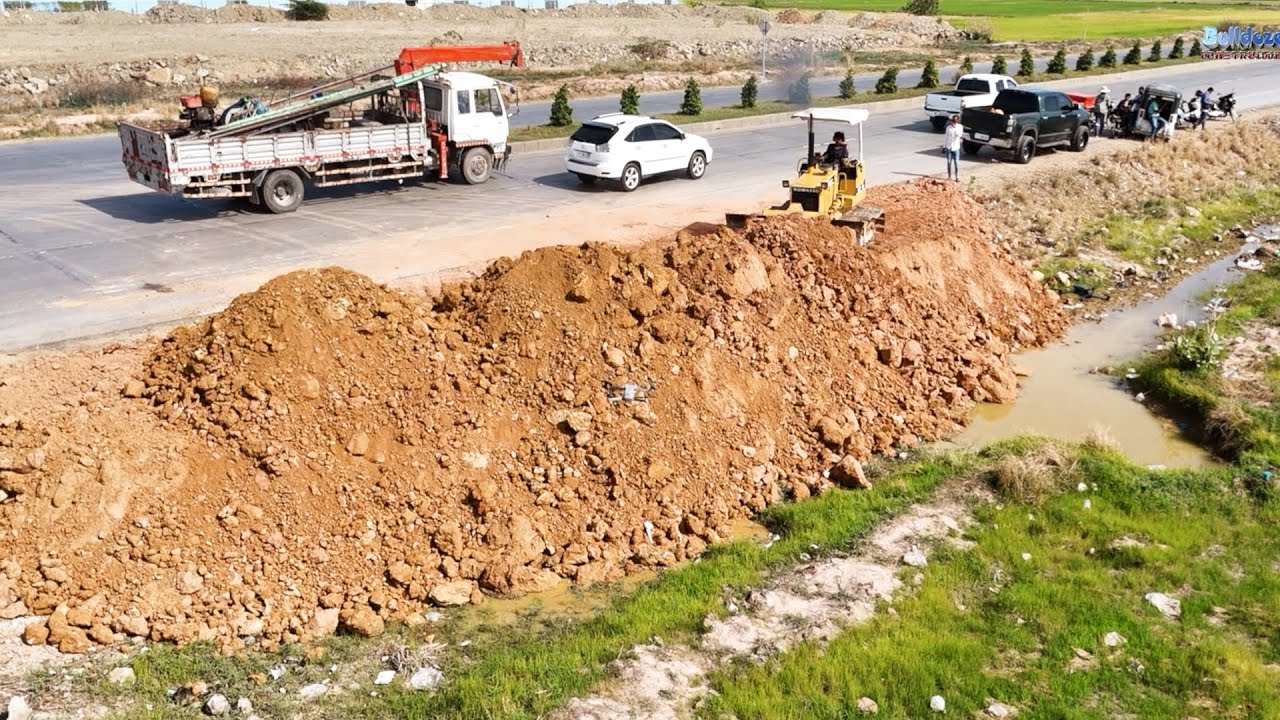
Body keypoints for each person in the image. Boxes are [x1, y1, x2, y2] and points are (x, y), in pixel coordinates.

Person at [943, 114, 962, 181]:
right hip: (949, 147)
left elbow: (959, 135)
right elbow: (946, 137)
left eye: (956, 120)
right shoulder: (948, 128)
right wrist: (944, 146)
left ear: (958, 121)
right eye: (953, 120)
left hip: (956, 148)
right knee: (949, 162)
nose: (954, 122)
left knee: (956, 163)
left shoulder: (960, 127)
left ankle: (957, 177)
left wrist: (955, 128)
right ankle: (949, 176)